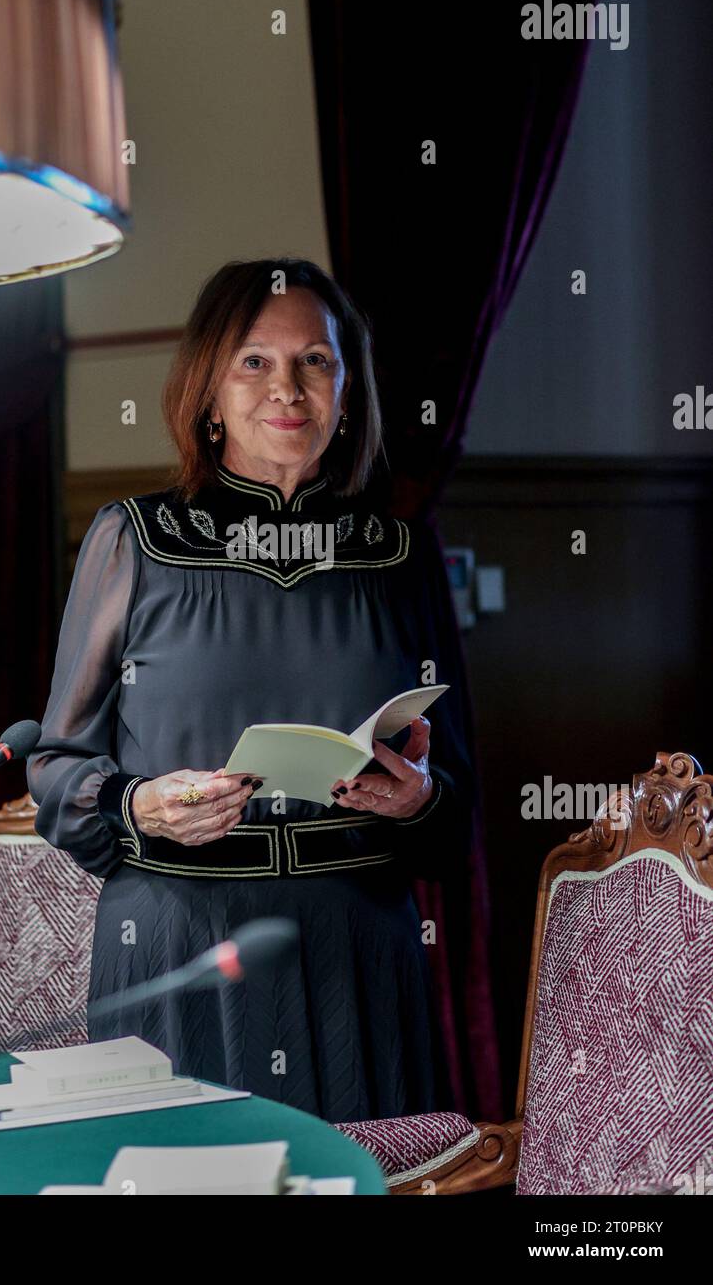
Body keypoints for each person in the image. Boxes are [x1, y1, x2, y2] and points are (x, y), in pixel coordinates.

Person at [27, 257, 474, 1123]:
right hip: (177, 949)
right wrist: (139, 806)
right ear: (208, 391)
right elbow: (55, 771)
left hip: (360, 953)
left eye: (317, 360)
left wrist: (418, 798)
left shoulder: (401, 557)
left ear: (347, 394)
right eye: (255, 362)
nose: (290, 389)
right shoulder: (135, 541)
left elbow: (460, 813)